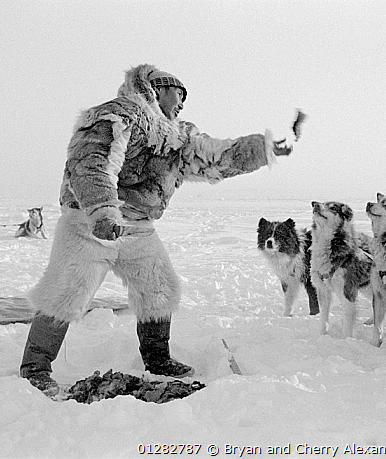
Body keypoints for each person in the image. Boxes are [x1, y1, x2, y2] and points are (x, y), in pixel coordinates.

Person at [20, 64, 294, 394]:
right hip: (89, 221)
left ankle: (157, 358)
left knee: (159, 289)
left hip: (139, 226)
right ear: (159, 88)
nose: (182, 103)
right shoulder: (120, 114)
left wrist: (264, 149)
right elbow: (92, 161)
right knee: (66, 292)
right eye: (179, 94)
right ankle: (34, 366)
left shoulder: (179, 136)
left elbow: (217, 156)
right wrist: (103, 211)